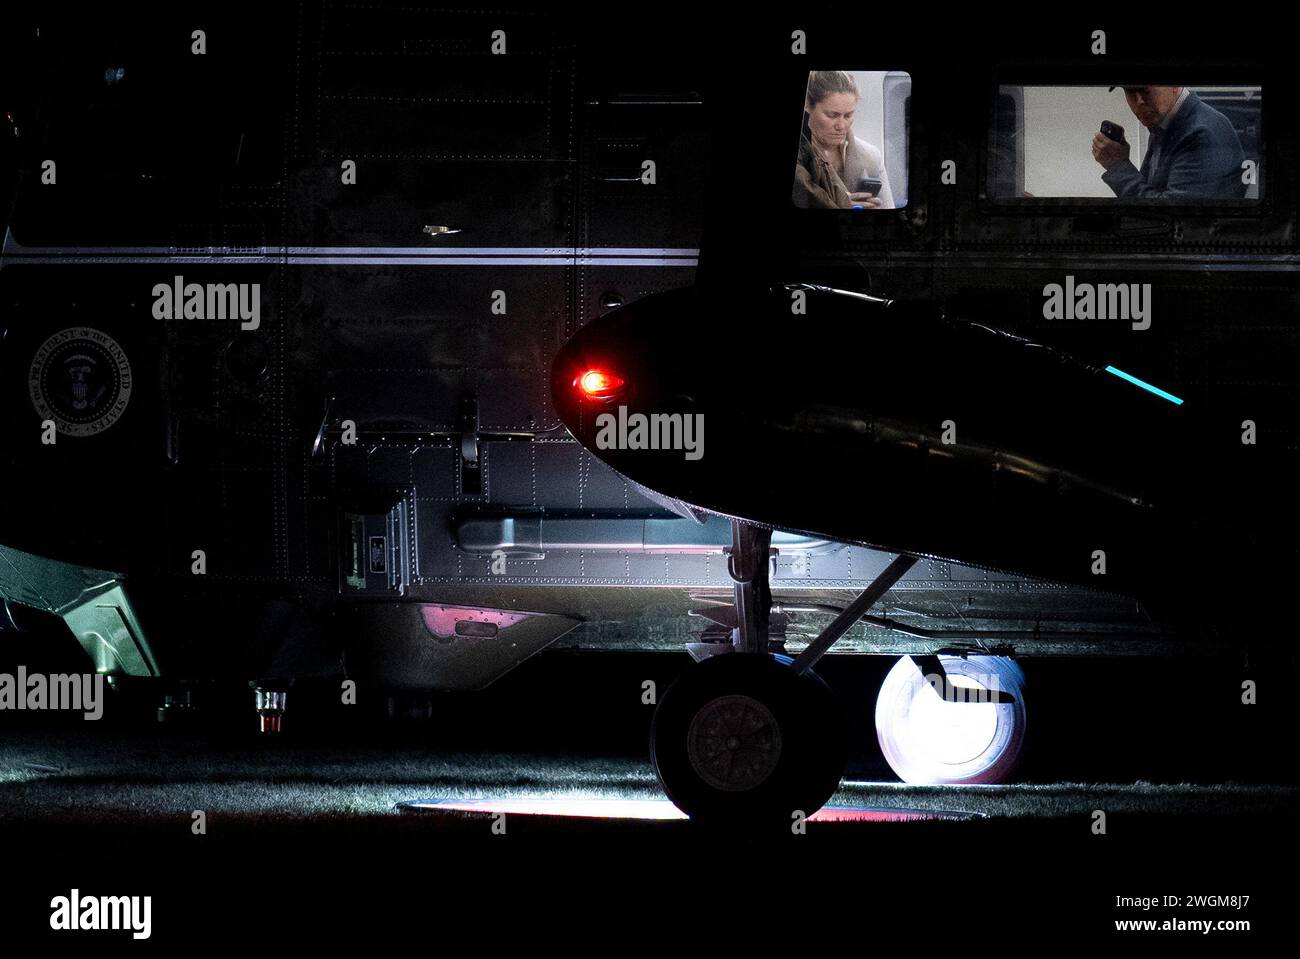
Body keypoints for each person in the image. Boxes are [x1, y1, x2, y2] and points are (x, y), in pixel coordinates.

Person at [1093, 86, 1246, 200]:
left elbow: (1169, 216)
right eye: (1130, 91)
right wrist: (1120, 164)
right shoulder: (1165, 122)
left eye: (1146, 90)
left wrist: (1119, 166)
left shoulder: (1199, 134)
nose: (1139, 101)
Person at [792, 71, 895, 210]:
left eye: (848, 115)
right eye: (832, 115)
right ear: (808, 107)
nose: (841, 126)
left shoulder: (871, 156)